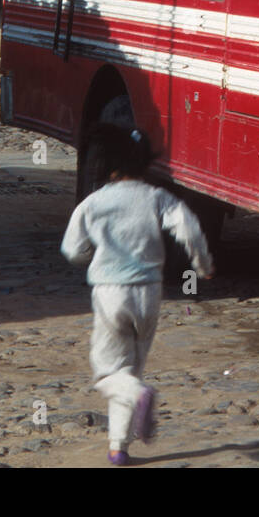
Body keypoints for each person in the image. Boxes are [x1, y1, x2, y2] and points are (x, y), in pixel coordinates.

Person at [61, 124, 213, 466]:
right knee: (131, 368)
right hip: (150, 293)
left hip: (110, 293)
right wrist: (202, 265)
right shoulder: (157, 197)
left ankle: (138, 399)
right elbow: (188, 226)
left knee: (108, 373)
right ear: (145, 163)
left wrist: (92, 254)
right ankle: (118, 447)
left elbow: (72, 250)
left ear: (108, 165)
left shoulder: (94, 202)